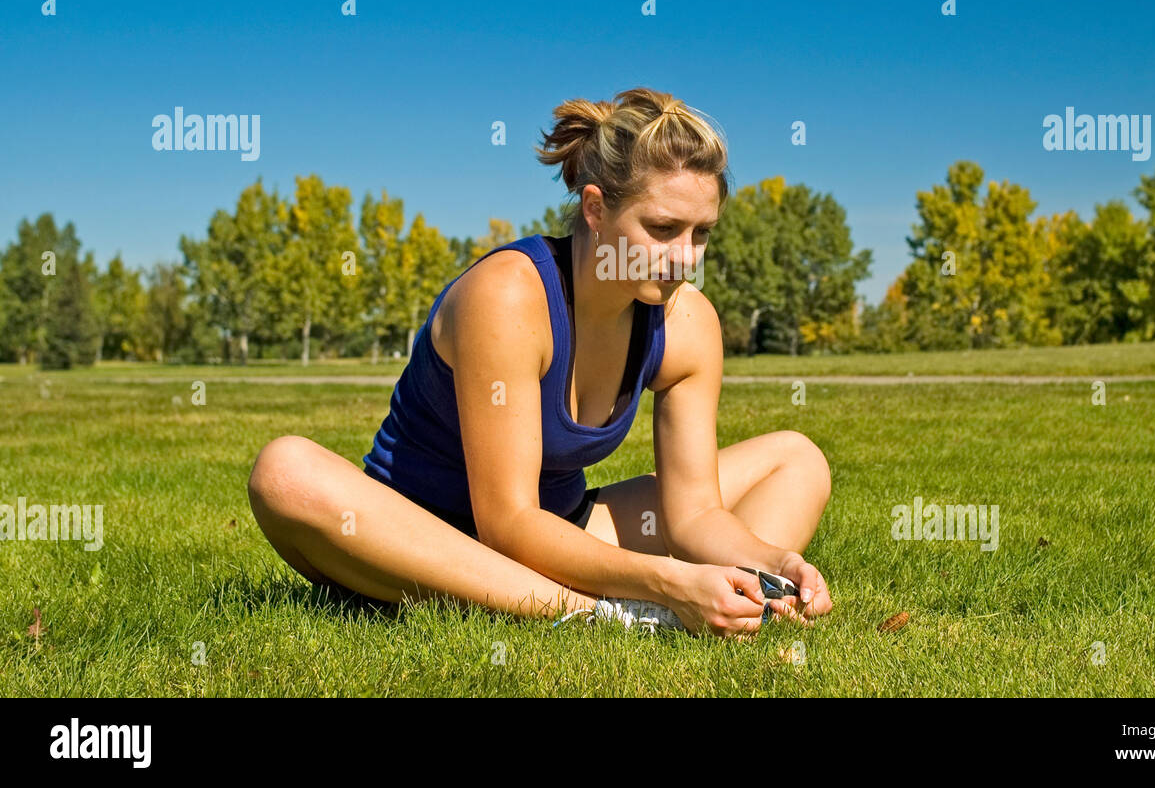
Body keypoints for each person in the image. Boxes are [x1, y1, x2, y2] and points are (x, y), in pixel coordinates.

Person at [247, 87, 834, 637]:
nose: (684, 258)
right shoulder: (507, 296)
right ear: (597, 209)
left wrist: (773, 559)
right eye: (662, 228)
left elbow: (696, 513)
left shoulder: (688, 325)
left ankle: (740, 601)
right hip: (416, 541)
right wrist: (668, 579)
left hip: (560, 531)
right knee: (284, 471)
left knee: (796, 460)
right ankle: (608, 614)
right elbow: (506, 523)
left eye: (701, 233)